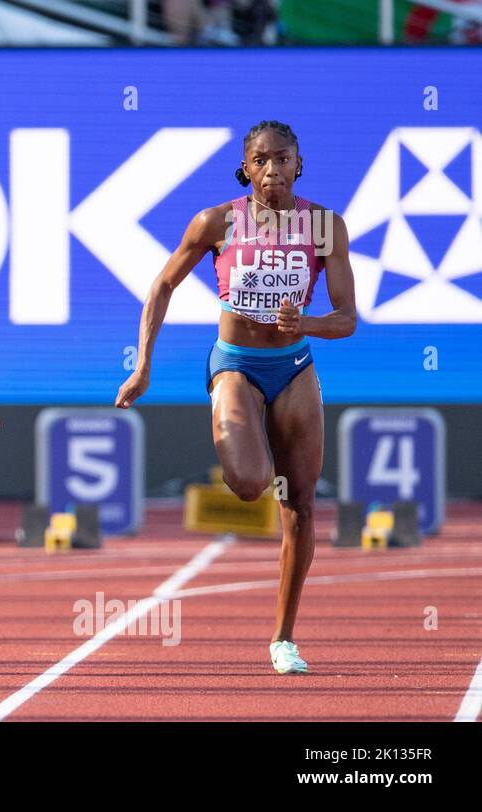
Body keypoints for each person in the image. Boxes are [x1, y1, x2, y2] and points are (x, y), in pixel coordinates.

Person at [115, 120, 356, 674]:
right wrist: (144, 365)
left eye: (284, 159)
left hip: (294, 367)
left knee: (300, 504)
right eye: (262, 160)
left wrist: (308, 323)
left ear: (300, 164)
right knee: (249, 485)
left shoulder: (324, 226)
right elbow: (162, 285)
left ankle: (283, 639)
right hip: (237, 364)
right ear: (247, 167)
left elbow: (347, 318)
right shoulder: (217, 221)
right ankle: (243, 437)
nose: (273, 170)